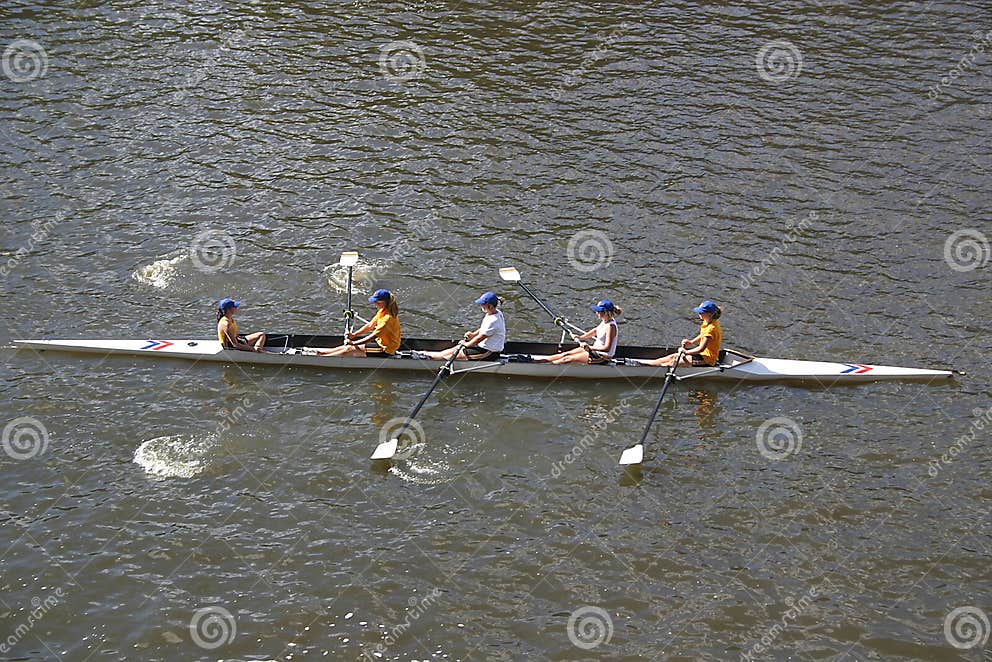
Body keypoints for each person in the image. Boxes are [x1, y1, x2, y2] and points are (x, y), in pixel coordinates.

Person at [421, 291, 506, 361]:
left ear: (490, 306)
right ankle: (428, 355)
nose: (481, 306)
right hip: (482, 347)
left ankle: (431, 360)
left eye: (482, 304)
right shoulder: (495, 312)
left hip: (488, 353)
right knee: (455, 349)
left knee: (452, 357)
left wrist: (467, 344)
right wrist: (473, 334)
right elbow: (483, 329)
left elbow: (480, 338)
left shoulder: (493, 320)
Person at [318, 289, 401, 357]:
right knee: (348, 346)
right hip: (380, 343)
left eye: (377, 302)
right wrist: (354, 335)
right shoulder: (382, 311)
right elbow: (370, 325)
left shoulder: (387, 319)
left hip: (386, 349)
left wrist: (353, 343)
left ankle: (322, 358)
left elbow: (371, 337)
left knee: (349, 349)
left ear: (385, 302)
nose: (375, 304)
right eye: (375, 302)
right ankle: (323, 354)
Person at [540, 299, 622, 365]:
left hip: (602, 356)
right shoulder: (605, 321)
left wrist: (589, 347)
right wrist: (580, 337)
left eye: (599, 311)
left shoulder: (611, 327)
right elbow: (595, 331)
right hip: (593, 351)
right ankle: (538, 362)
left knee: (567, 359)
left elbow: (607, 348)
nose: (597, 313)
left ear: (606, 313)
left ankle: (544, 368)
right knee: (565, 354)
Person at [643, 300, 723, 367]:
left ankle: (646, 368)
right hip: (703, 355)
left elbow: (701, 348)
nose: (699, 314)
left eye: (701, 312)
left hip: (708, 360)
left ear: (709, 314)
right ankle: (646, 364)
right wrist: (691, 342)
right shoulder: (709, 321)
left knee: (672, 362)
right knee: (673, 356)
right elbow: (703, 335)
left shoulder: (711, 329)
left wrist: (686, 352)